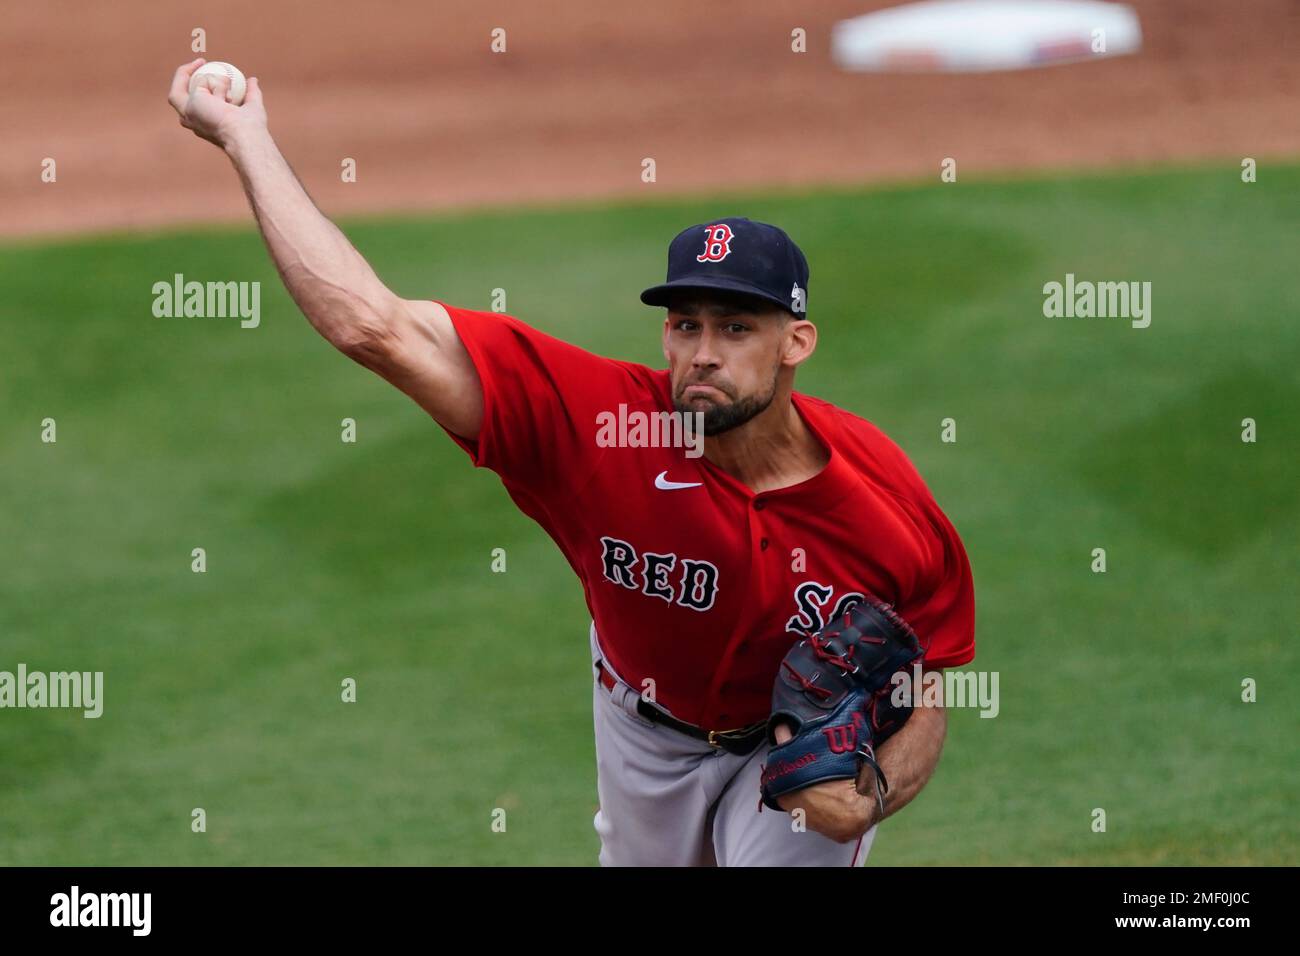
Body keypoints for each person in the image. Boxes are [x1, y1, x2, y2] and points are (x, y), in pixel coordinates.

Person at [168, 59, 975, 866]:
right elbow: (375, 328)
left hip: (788, 757)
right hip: (642, 739)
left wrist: (868, 795)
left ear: (796, 343)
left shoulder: (882, 502)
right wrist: (246, 138)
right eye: (685, 325)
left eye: (735, 329)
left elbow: (929, 681)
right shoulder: (599, 425)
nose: (702, 354)